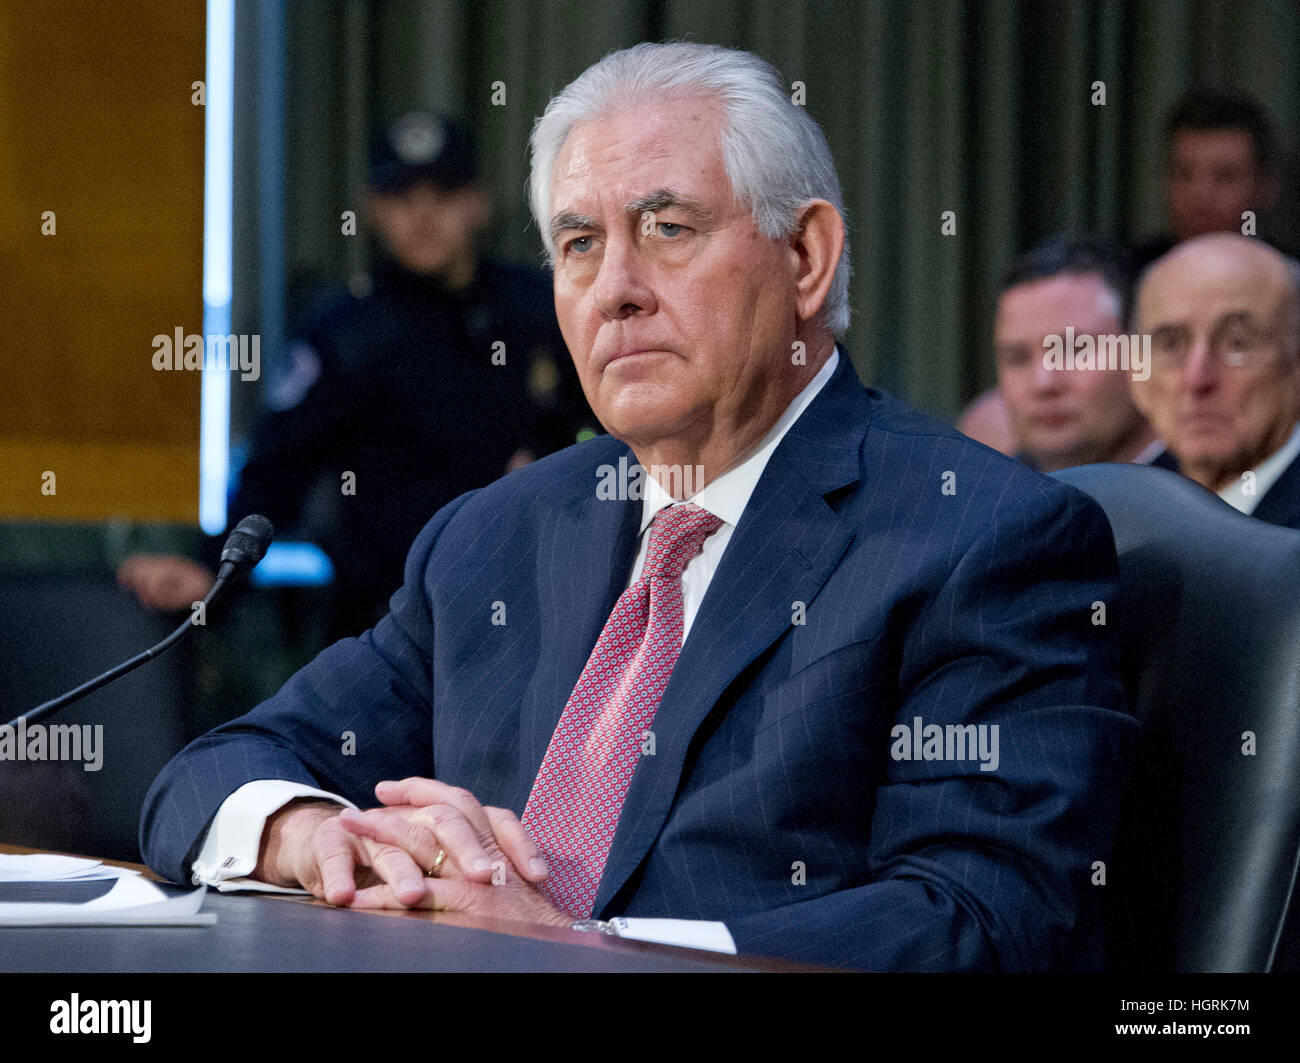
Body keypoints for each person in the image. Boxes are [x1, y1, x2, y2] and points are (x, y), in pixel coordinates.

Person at [140, 42, 1136, 971]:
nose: (613, 288)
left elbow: (983, 920)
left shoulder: (982, 536)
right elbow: (219, 768)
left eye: (666, 230)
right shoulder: (493, 535)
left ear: (805, 259)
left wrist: (589, 951)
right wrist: (316, 836)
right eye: (577, 243)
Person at [118, 111, 595, 639]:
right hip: (388, 622)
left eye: (442, 194)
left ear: (476, 203)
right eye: (401, 197)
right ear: (372, 208)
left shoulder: (541, 307)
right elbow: (277, 469)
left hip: (538, 609)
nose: (422, 215)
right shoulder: (345, 332)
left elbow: (610, 432)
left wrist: (551, 470)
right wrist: (212, 571)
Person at [1131, 232, 1300, 528]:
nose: (1197, 380)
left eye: (1237, 344)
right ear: (1137, 378)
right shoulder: (1112, 516)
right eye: (1170, 345)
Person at [966, 236, 1157, 471]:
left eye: (1074, 350)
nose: (1044, 383)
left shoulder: (1205, 499)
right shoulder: (989, 494)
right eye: (1018, 358)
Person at [1132, 88, 1282, 271]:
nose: (1200, 195)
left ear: (1265, 187)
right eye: (1183, 174)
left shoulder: (1290, 283)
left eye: (1225, 176)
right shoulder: (1126, 280)